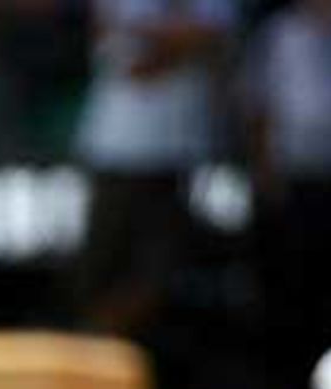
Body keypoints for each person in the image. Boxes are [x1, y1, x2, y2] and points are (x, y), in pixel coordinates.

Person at [72, 0, 236, 340]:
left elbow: (212, 38)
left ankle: (107, 346)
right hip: (116, 151)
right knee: (100, 266)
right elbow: (123, 57)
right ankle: (90, 349)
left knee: (157, 273)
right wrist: (180, 44)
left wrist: (150, 36)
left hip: (177, 152)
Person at [241, 0, 331, 389]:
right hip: (294, 180)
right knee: (293, 287)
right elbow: (258, 106)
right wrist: (265, 174)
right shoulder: (279, 32)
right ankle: (291, 383)